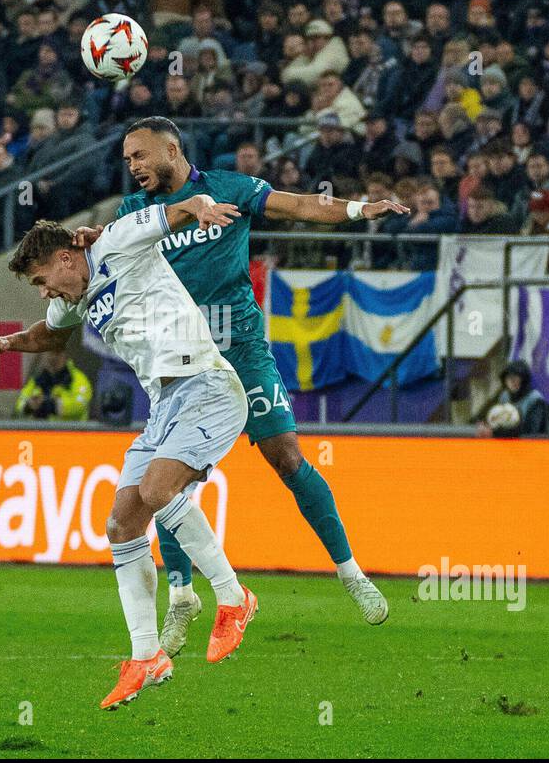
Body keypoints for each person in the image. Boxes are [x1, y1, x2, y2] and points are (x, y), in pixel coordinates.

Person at [75, 116, 405, 646]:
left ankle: (351, 574)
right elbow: (104, 263)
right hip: (181, 363)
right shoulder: (135, 213)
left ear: (171, 149)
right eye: (128, 159)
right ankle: (182, 597)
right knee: (167, 481)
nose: (132, 167)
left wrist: (359, 209)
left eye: (139, 155)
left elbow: (299, 205)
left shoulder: (229, 188)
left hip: (241, 350)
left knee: (288, 457)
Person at [0, 196, 258, 710]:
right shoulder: (72, 297)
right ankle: (146, 657)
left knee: (158, 490)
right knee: (122, 524)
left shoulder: (118, 239)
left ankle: (234, 597)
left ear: (65, 257)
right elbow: (49, 332)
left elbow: (185, 206)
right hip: (165, 403)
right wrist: (6, 343)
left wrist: (206, 209)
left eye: (41, 279)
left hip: (207, 385)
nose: (44, 290)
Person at [15, 351, 93, 421]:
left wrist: (53, 405)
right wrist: (29, 405)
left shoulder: (78, 378)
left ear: (65, 355)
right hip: (43, 433)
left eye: (57, 353)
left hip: (72, 433)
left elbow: (80, 404)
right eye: (49, 353)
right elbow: (20, 402)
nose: (53, 358)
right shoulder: (38, 379)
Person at [478, 361, 548, 437]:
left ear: (524, 380)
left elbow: (531, 432)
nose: (512, 382)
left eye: (516, 378)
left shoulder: (535, 399)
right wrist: (487, 426)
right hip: (508, 444)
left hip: (535, 445)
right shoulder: (505, 396)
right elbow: (499, 421)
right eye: (509, 378)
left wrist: (495, 433)